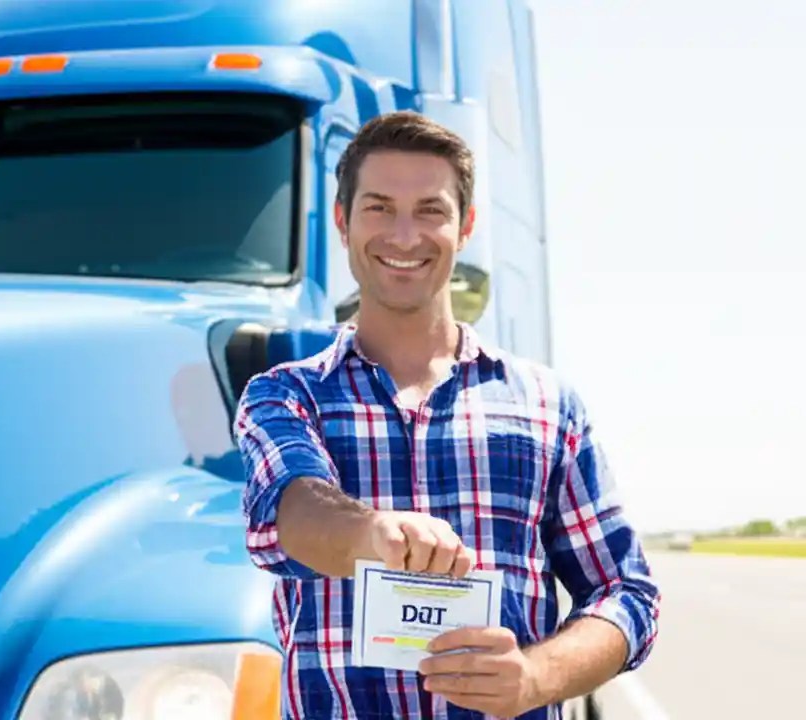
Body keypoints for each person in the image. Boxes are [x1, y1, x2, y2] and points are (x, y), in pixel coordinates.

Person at [233, 111, 660, 719]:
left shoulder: (547, 407)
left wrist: (535, 678)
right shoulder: (285, 396)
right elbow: (293, 510)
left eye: (430, 210)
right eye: (379, 207)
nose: (404, 236)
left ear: (465, 228)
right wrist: (369, 533)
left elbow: (628, 595)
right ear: (342, 222)